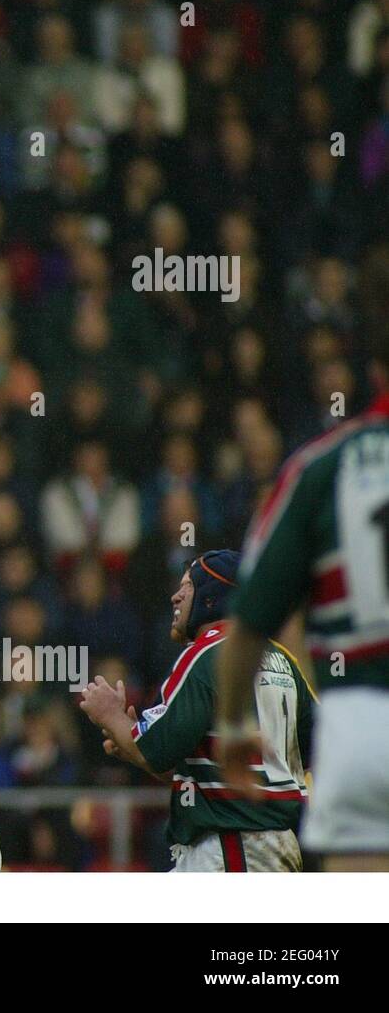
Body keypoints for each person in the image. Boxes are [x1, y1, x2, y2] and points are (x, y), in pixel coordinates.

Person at [217, 313, 389, 870]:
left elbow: (247, 623)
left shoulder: (321, 468)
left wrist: (236, 724)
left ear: (374, 369)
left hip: (360, 730)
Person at [80, 551, 314, 871]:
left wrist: (110, 715)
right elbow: (314, 747)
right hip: (277, 844)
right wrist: (132, 741)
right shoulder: (284, 661)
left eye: (187, 586)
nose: (175, 596)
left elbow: (158, 750)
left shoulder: (206, 654)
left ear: (211, 596)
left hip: (230, 848)